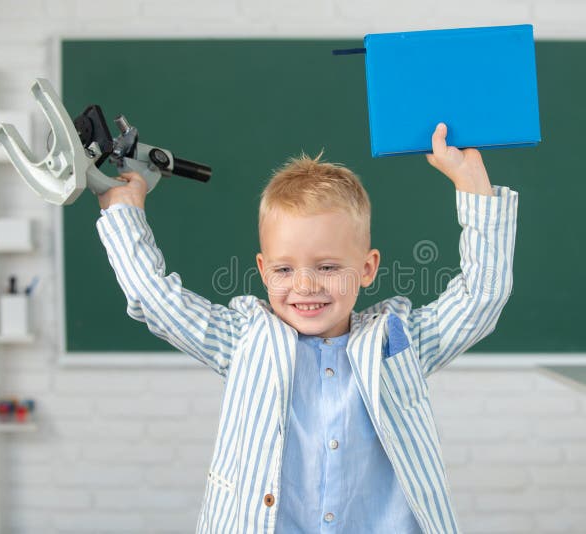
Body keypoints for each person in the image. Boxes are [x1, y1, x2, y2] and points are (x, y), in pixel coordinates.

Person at [96, 122, 518, 533]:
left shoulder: (399, 341)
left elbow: (482, 296)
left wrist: (472, 187)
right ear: (263, 271)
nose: (304, 285)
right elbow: (154, 298)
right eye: (284, 268)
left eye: (328, 266)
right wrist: (123, 212)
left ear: (367, 268)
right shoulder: (244, 341)